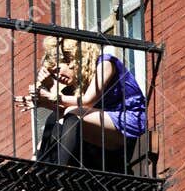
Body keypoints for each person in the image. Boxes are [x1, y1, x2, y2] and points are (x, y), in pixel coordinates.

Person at [18, 37, 147, 172]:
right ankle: (38, 169)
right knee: (54, 118)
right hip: (108, 133)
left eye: (57, 70)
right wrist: (43, 102)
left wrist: (51, 97)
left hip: (131, 121)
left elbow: (87, 101)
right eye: (54, 75)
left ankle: (59, 170)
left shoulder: (105, 63)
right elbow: (64, 112)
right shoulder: (77, 87)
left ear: (72, 60)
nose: (58, 77)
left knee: (72, 113)